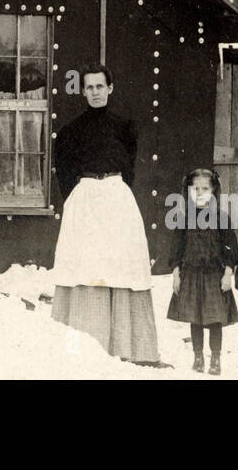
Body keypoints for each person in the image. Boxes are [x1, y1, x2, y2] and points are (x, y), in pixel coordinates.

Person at [51, 64, 164, 367]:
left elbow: (129, 169)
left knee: (122, 265)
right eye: (89, 87)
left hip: (117, 198)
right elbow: (64, 171)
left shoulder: (125, 126)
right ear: (83, 91)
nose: (95, 92)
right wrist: (80, 196)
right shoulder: (71, 130)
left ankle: (130, 348)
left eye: (100, 87)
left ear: (110, 89)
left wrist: (113, 193)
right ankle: (80, 348)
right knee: (85, 266)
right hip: (85, 199)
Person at [166, 167, 238, 375]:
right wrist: (176, 273)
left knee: (215, 320)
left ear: (214, 190)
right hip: (191, 275)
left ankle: (215, 358)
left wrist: (228, 273)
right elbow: (177, 248)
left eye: (205, 188)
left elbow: (230, 248)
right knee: (195, 319)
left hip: (214, 277)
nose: (199, 193)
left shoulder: (221, 218)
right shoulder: (184, 218)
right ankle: (198, 357)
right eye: (195, 189)